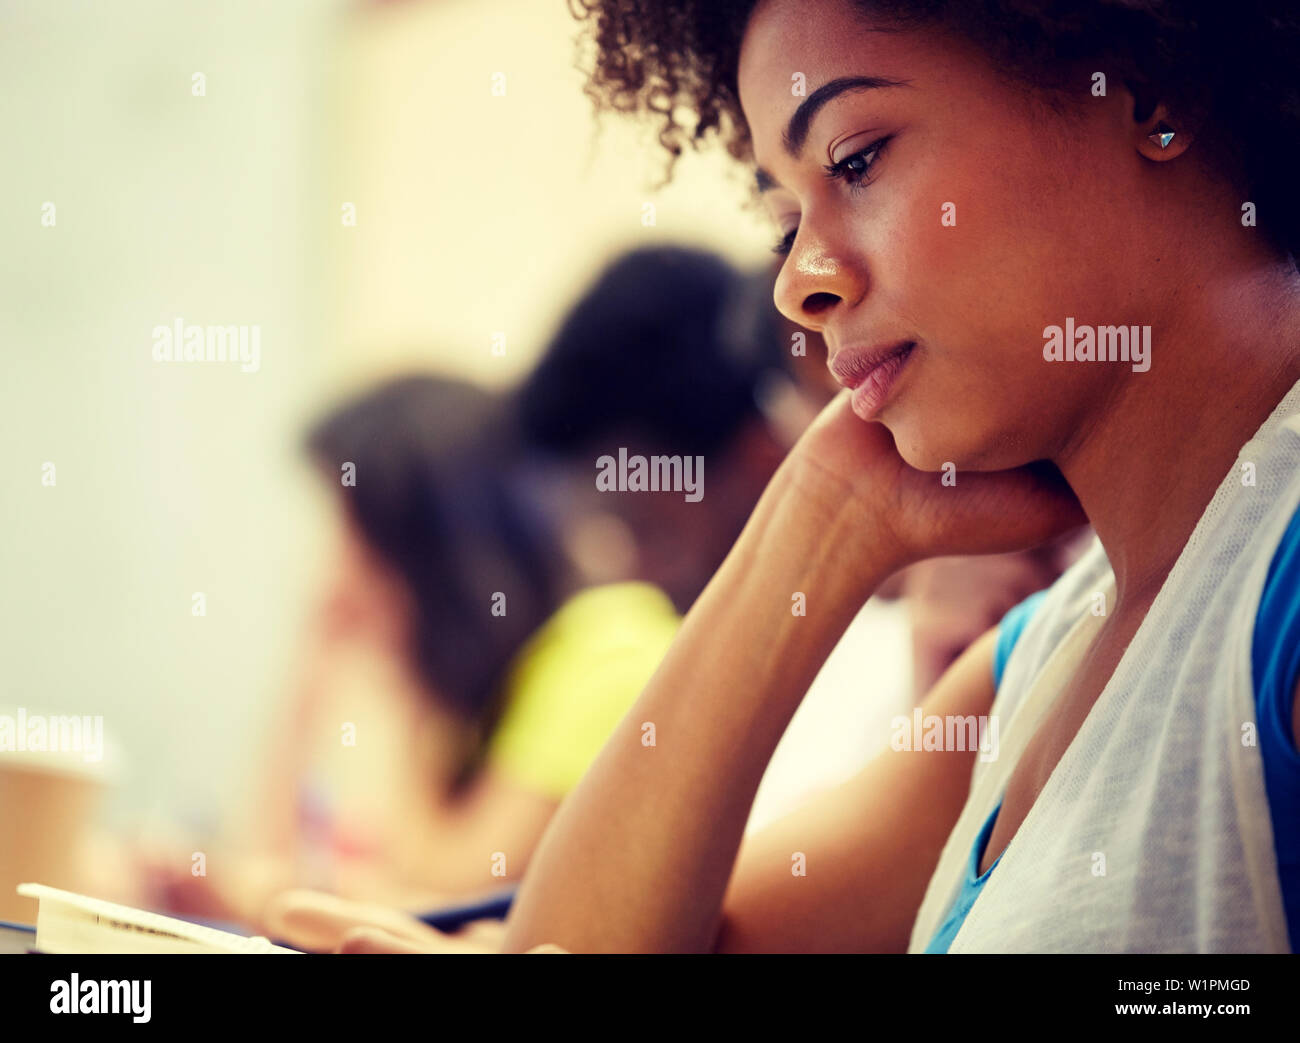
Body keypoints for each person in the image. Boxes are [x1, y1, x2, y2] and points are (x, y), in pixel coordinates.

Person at [496, 0, 1300, 953]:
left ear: (1153, 94)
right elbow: (593, 945)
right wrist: (825, 515)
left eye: (855, 159)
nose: (798, 283)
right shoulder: (1044, 660)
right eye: (784, 219)